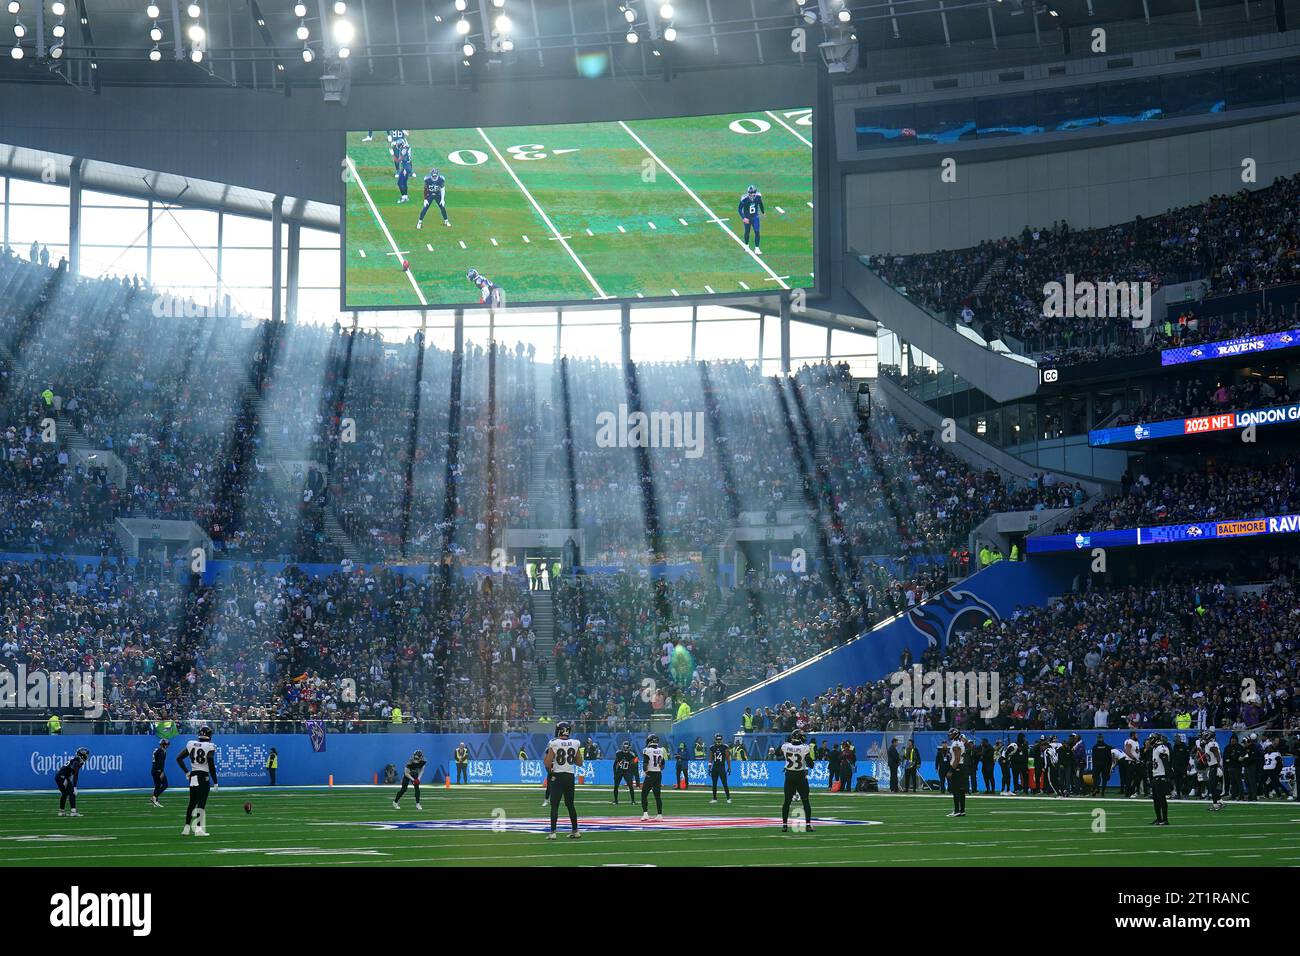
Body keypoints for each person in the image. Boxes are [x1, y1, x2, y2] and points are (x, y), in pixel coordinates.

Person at [543, 721, 582, 840]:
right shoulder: (575, 743)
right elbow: (579, 762)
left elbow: (547, 762)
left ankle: (553, 832)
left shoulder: (554, 743)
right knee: (570, 804)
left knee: (554, 805)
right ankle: (575, 831)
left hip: (558, 776)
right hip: (569, 776)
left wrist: (551, 771)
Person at [176, 726, 218, 837]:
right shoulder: (210, 746)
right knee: (201, 803)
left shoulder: (191, 744)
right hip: (203, 776)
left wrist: (187, 772)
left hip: (193, 775)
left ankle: (186, 828)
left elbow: (179, 758)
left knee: (192, 803)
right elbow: (211, 764)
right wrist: (215, 781)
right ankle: (198, 829)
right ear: (209, 735)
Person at [779, 729, 814, 832]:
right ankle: (807, 825)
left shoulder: (785, 746)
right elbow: (811, 765)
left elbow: (778, 753)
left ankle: (784, 825)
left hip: (789, 775)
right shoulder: (804, 748)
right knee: (806, 801)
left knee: (787, 802)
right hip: (800, 776)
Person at [56, 748, 89, 817]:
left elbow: (71, 772)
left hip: (59, 777)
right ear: (82, 755)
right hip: (62, 776)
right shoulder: (77, 761)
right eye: (86, 755)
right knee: (72, 792)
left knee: (65, 793)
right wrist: (74, 787)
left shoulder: (75, 760)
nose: (87, 756)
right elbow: (75, 774)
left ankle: (61, 811)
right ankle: (73, 811)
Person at [641, 733, 667, 821]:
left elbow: (645, 765)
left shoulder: (647, 750)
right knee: (657, 796)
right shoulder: (661, 750)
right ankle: (659, 815)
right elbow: (663, 766)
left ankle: (645, 814)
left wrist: (645, 771)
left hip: (650, 773)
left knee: (644, 794)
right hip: (658, 774)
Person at [1148, 733, 1171, 826]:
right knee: (1156, 799)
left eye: (1151, 739)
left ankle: (1165, 819)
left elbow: (1166, 763)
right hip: (1156, 776)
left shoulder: (1162, 748)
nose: (1149, 741)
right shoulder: (1155, 748)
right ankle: (1158, 818)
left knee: (1161, 799)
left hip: (1161, 776)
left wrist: (1167, 777)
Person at [946, 729, 968, 818]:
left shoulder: (956, 744)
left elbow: (957, 759)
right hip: (961, 767)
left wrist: (951, 770)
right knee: (961, 790)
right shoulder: (959, 743)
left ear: (955, 734)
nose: (949, 736)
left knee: (956, 790)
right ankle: (962, 810)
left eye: (951, 734)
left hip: (957, 768)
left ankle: (956, 810)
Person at [612, 739, 638, 805]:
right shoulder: (619, 753)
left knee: (630, 785)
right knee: (616, 786)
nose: (625, 749)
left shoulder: (631, 754)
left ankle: (633, 800)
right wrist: (615, 773)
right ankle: (615, 800)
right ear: (622, 747)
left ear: (629, 748)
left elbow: (635, 762)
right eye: (624, 747)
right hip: (620, 771)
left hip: (627, 771)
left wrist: (632, 771)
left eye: (627, 747)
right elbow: (615, 764)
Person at [708, 733, 731, 804]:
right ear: (715, 739)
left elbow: (727, 758)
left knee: (724, 783)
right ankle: (714, 798)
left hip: (721, 767)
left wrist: (729, 767)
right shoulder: (712, 747)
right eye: (717, 739)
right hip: (715, 767)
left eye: (720, 739)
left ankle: (728, 798)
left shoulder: (724, 747)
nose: (718, 741)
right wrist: (709, 767)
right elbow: (710, 758)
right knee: (714, 784)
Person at [150, 739, 170, 808]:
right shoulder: (161, 752)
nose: (167, 746)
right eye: (167, 745)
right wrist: (161, 771)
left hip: (154, 770)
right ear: (164, 745)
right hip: (158, 770)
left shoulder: (158, 750)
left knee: (157, 786)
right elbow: (160, 763)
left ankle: (155, 802)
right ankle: (154, 797)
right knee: (165, 785)